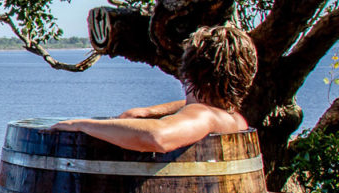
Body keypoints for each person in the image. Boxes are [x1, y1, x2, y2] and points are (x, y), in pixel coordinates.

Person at [51, 24, 257, 152]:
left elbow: (157, 137)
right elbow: (190, 108)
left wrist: (82, 125)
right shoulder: (235, 118)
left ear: (192, 70)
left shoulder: (203, 115)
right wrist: (149, 112)